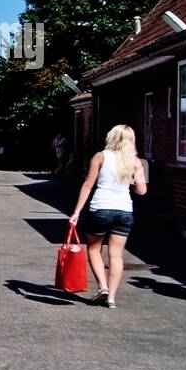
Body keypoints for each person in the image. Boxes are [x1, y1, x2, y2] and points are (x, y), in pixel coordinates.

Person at [68, 124, 147, 308]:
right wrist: (132, 181)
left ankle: (102, 287)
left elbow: (88, 185)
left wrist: (77, 211)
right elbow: (142, 191)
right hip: (124, 211)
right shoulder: (136, 161)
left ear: (112, 137)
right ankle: (111, 298)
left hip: (101, 208)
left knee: (94, 249)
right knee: (116, 255)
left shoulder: (100, 156)